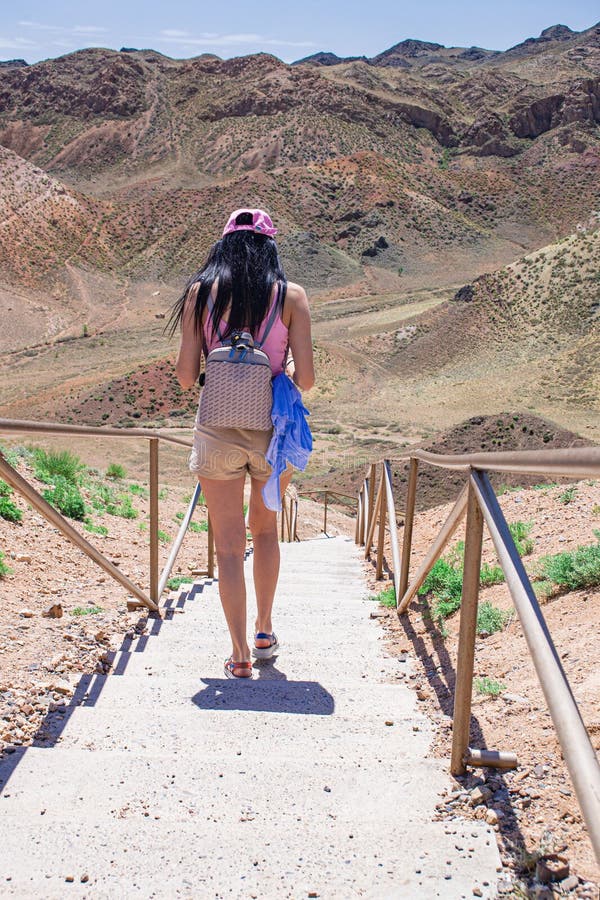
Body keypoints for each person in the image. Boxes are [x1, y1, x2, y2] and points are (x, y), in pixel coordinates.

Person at [169, 208, 315, 679]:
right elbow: (307, 379)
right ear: (270, 247)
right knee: (266, 532)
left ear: (224, 246)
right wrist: (280, 370)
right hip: (272, 430)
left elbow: (187, 376)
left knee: (229, 547)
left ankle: (238, 655)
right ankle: (265, 630)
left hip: (216, 431)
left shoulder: (200, 295)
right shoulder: (291, 297)